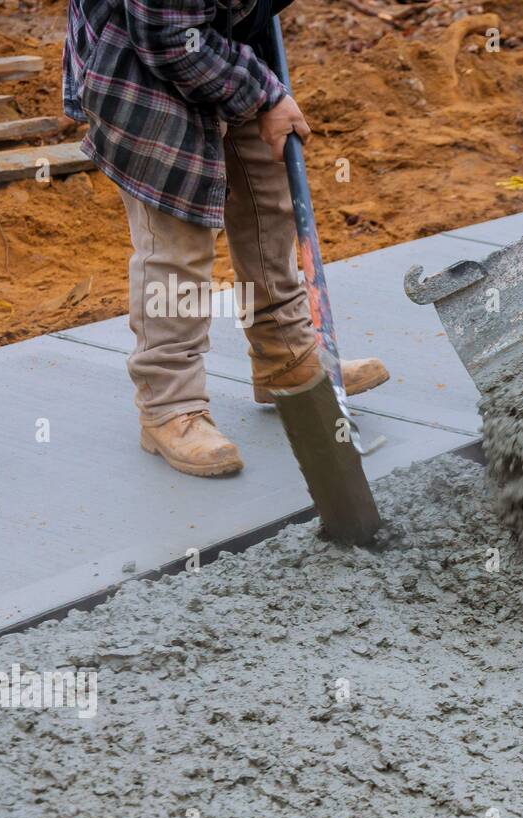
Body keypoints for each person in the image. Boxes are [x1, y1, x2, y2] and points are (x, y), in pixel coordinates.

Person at [62, 0, 388, 477]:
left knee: (268, 195)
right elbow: (167, 36)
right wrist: (265, 94)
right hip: (140, 65)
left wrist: (260, 87)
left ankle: (285, 357)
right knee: (177, 243)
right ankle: (169, 406)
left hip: (218, 37)